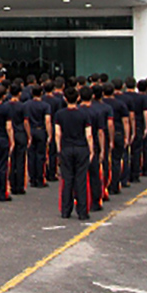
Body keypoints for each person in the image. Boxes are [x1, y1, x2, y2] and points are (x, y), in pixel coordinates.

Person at [54, 87, 93, 221]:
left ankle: (66, 210)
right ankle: (82, 211)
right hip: (81, 147)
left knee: (67, 179)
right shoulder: (84, 114)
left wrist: (59, 149)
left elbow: (58, 133)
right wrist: (91, 149)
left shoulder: (59, 114)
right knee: (81, 179)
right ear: (78, 98)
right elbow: (89, 135)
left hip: (66, 147)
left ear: (65, 99)